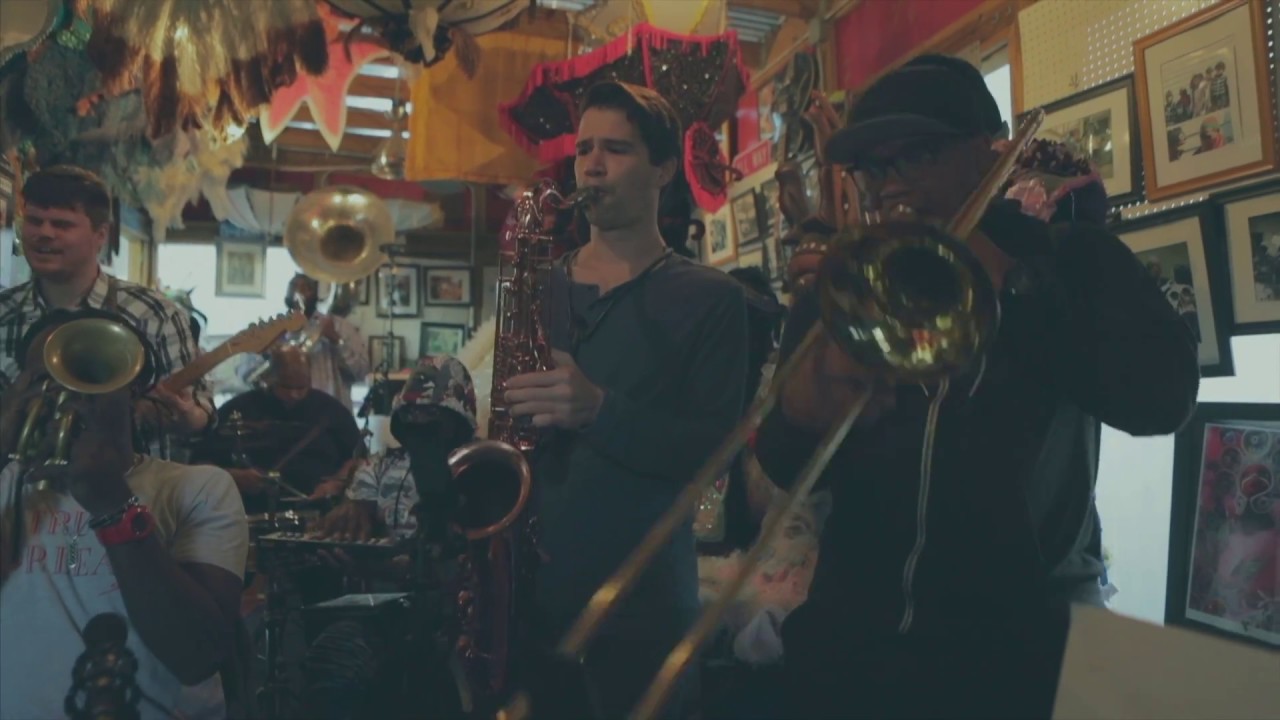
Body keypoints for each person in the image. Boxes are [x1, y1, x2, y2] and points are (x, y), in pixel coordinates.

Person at [753, 55, 1201, 719]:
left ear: (990, 152)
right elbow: (785, 465)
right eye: (872, 166)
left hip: (1017, 667)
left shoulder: (1073, 259)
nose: (888, 184)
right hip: (849, 657)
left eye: (917, 154)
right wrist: (800, 409)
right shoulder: (848, 283)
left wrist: (1012, 281)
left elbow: (1163, 399)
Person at [502, 81, 749, 719]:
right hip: (530, 594)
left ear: (663, 169)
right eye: (584, 149)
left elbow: (714, 455)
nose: (591, 165)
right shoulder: (536, 286)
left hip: (643, 605)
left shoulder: (714, 299)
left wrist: (599, 411)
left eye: (616, 149)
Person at [0, 308, 247, 720]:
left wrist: (112, 503)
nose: (67, 395)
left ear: (133, 388)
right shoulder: (7, 484)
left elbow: (197, 656)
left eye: (86, 374)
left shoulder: (200, 487)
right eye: (45, 381)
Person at [0, 166, 212, 461]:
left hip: (128, 487)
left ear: (101, 235)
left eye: (62, 224)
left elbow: (201, 414)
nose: (44, 234)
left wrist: (187, 416)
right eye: (35, 221)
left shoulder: (156, 314)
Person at [194, 346, 365, 514]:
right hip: (249, 512)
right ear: (270, 378)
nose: (294, 395)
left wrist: (336, 484)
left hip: (318, 510)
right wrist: (232, 477)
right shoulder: (238, 409)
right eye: (287, 387)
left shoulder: (331, 410)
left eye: (301, 388)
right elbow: (199, 464)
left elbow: (358, 459)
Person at [239, 273, 369, 410]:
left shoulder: (341, 326)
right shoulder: (270, 329)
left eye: (306, 287)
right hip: (283, 414)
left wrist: (335, 339)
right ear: (286, 297)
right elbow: (246, 376)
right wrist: (266, 353)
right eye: (293, 286)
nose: (299, 291)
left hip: (330, 414)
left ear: (316, 295)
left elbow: (361, 372)